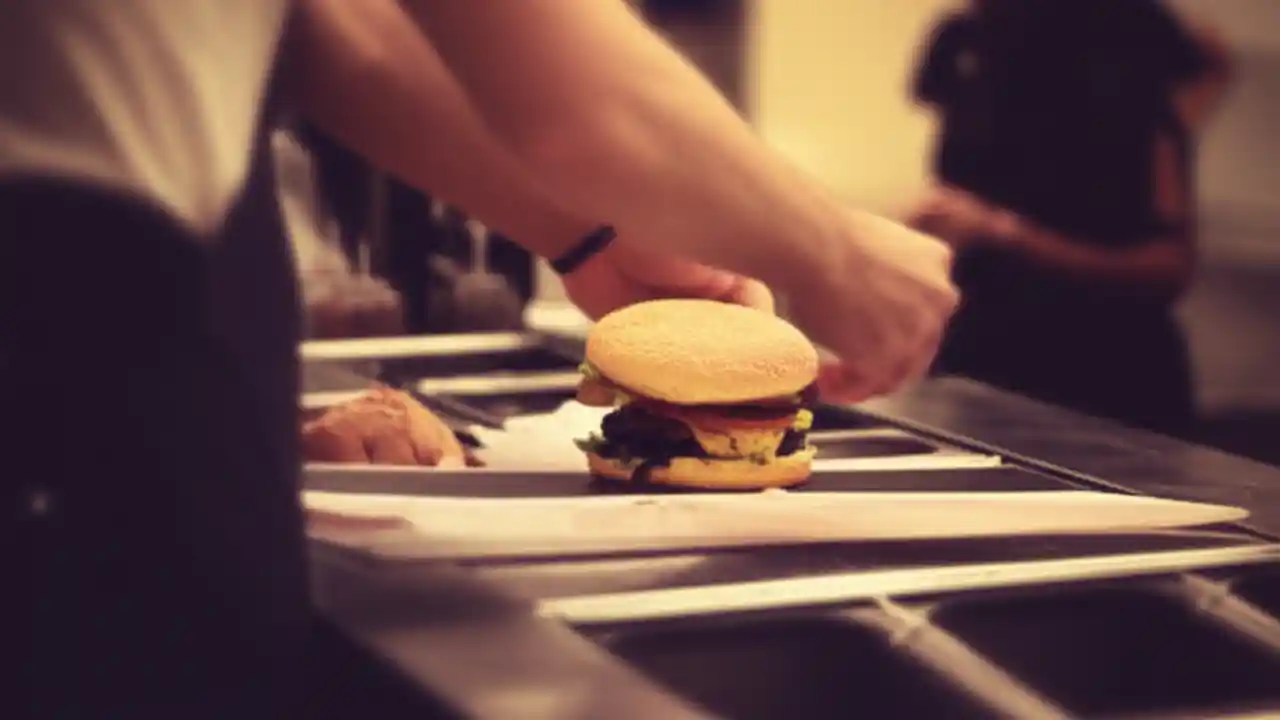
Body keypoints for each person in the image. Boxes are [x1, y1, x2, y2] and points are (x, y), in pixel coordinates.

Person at [6, 1, 956, 716]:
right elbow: (590, 99)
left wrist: (588, 238)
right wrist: (836, 250)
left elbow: (339, 30)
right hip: (72, 316)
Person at [908, 0, 1233, 434]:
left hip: (1106, 373)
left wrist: (1002, 231)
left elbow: (1168, 267)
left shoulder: (1124, 74)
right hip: (982, 356)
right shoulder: (971, 42)